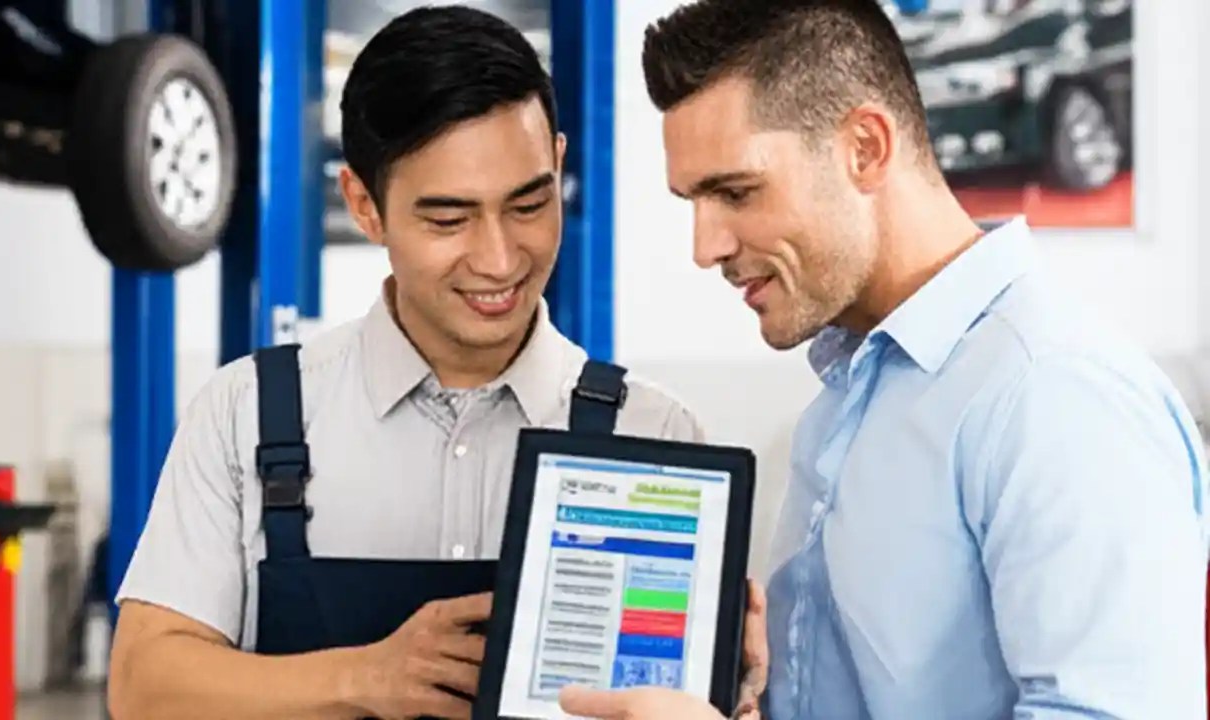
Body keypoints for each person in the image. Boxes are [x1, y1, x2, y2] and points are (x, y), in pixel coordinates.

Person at [105, 6, 768, 720]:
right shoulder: (246, 416)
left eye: (528, 204)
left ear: (559, 165)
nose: (499, 258)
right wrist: (364, 677)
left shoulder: (657, 437)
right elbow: (145, 685)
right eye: (448, 219)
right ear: (365, 204)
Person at [561, 0, 1209, 718]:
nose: (705, 245)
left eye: (736, 192)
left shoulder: (1054, 395)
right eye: (693, 201)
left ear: (865, 148)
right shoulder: (846, 391)